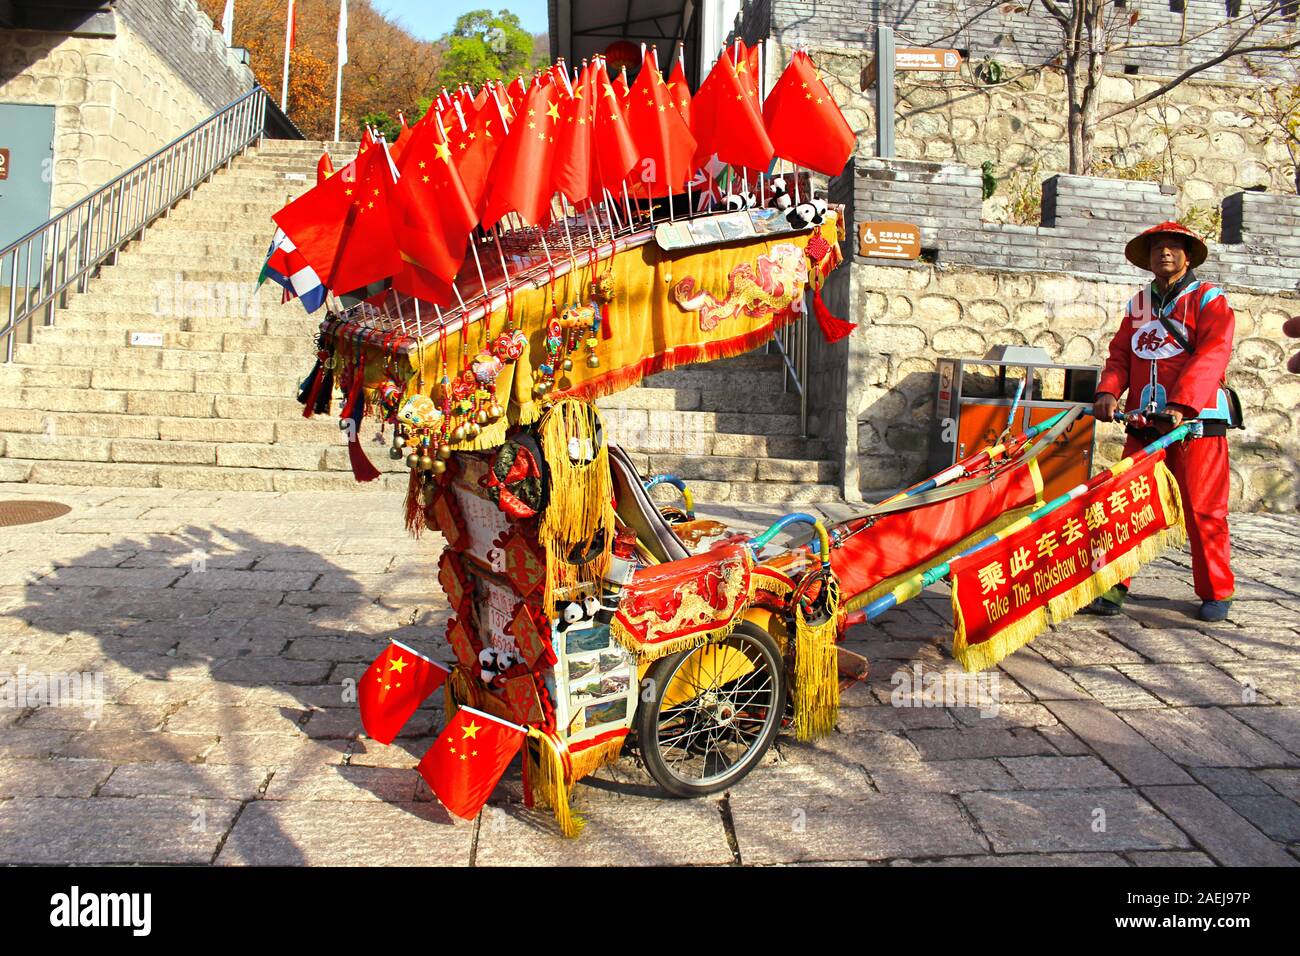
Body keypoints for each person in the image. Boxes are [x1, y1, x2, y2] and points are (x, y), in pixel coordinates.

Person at [1085, 222, 1235, 622]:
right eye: (1157, 249)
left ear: (1188, 257)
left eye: (1173, 248)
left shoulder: (1209, 300)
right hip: (1143, 422)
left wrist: (1183, 405)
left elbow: (1213, 353)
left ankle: (1216, 589)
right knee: (1124, 504)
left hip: (1196, 424)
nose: (1164, 254)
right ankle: (1112, 587)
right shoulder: (1139, 304)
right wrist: (1107, 391)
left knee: (1204, 509)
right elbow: (1120, 354)